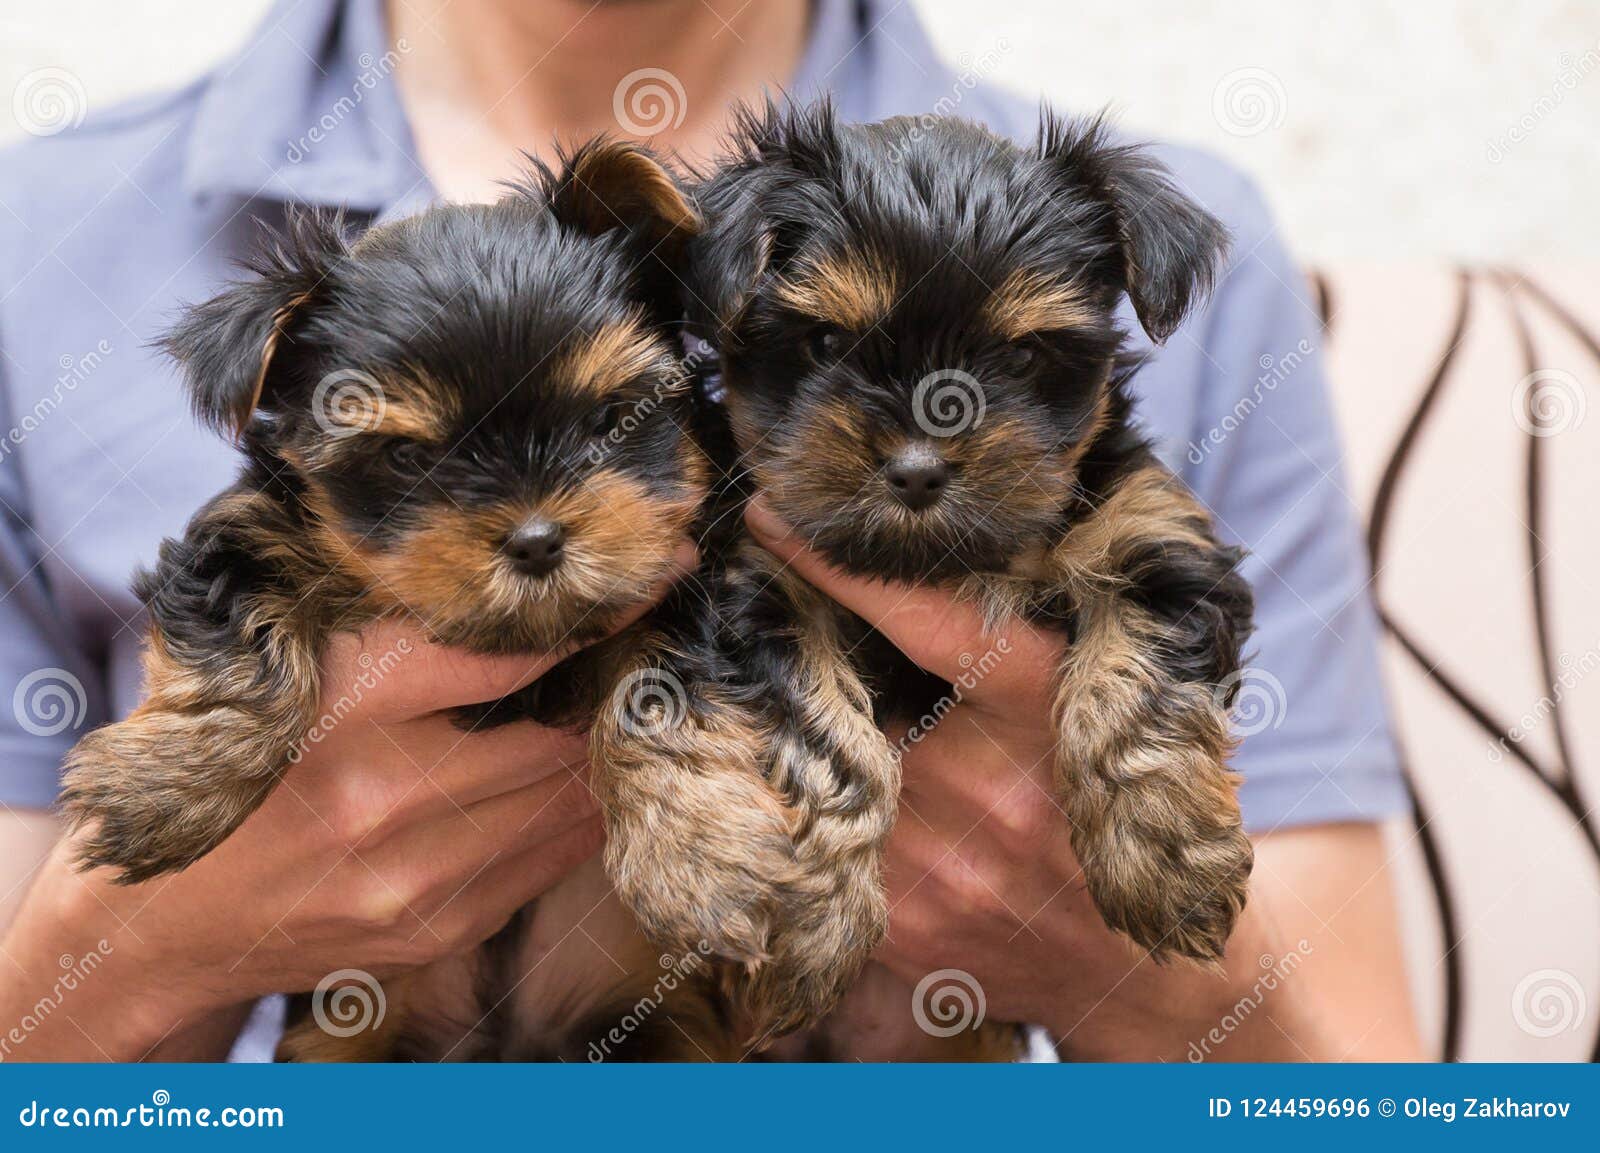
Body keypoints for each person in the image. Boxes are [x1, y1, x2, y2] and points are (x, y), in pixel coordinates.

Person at [0, 0, 1421, 1061]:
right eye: (819, 354)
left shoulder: (1199, 254)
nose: (924, 448)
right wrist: (141, 947)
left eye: (1035, 366)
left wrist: (1156, 971)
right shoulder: (36, 238)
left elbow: (1355, 1100)